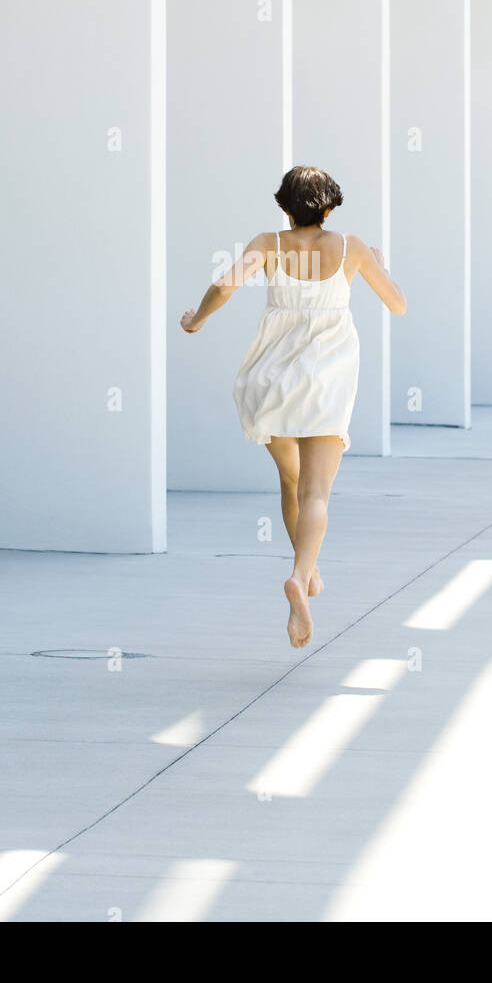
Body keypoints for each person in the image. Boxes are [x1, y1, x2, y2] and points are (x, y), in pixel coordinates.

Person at [180, 166, 406, 648]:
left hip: (272, 382)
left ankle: (309, 570)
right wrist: (381, 266)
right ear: (329, 207)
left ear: (285, 207)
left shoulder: (269, 242)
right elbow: (398, 304)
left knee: (291, 482)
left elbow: (223, 287)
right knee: (317, 492)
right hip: (326, 382)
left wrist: (196, 320)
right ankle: (300, 577)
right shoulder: (350, 247)